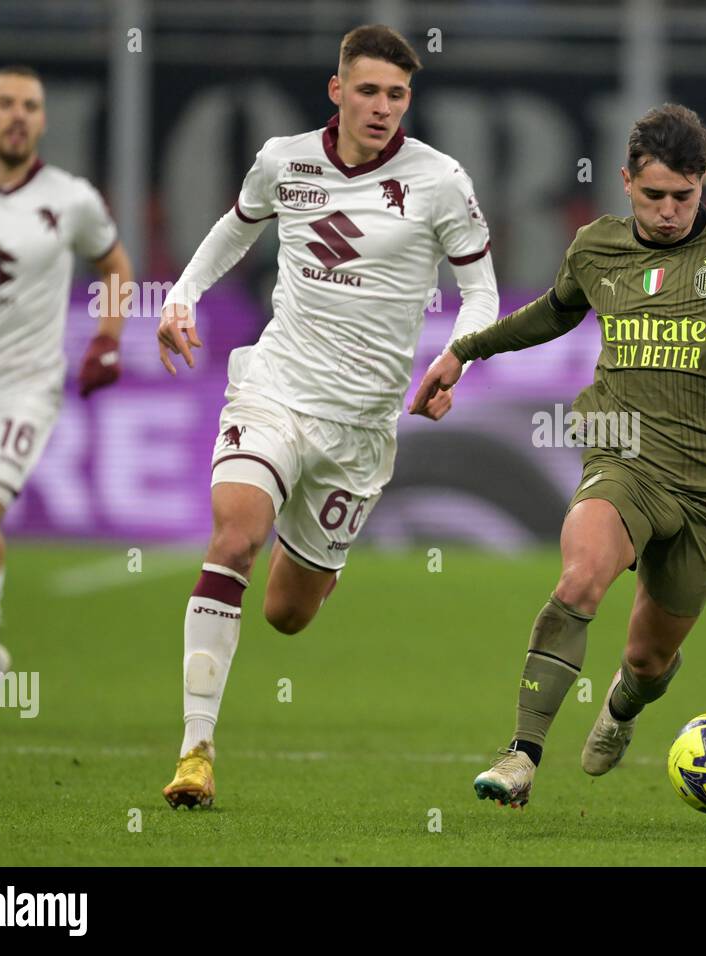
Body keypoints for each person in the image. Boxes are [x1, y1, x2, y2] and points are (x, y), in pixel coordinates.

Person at [411, 103, 706, 808]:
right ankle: (521, 756)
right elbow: (553, 312)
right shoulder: (597, 248)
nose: (670, 211)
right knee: (581, 578)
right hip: (622, 459)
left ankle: (625, 704)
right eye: (654, 195)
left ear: (702, 185)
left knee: (649, 659)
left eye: (684, 196)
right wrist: (462, 352)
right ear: (625, 182)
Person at [157, 24, 498, 808]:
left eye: (398, 94)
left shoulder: (440, 180)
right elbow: (237, 226)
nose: (382, 107)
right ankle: (195, 751)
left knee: (287, 615)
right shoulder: (285, 159)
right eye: (369, 90)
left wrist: (458, 356)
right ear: (337, 90)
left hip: (361, 428)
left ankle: (312, 556)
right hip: (276, 387)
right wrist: (181, 295)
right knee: (235, 534)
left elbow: (480, 290)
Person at [0, 65, 131, 733]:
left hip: (21, 387)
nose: (19, 115)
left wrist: (107, 337)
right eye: (5, 104)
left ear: (43, 121)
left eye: (31, 106)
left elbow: (114, 263)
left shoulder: (70, 199)